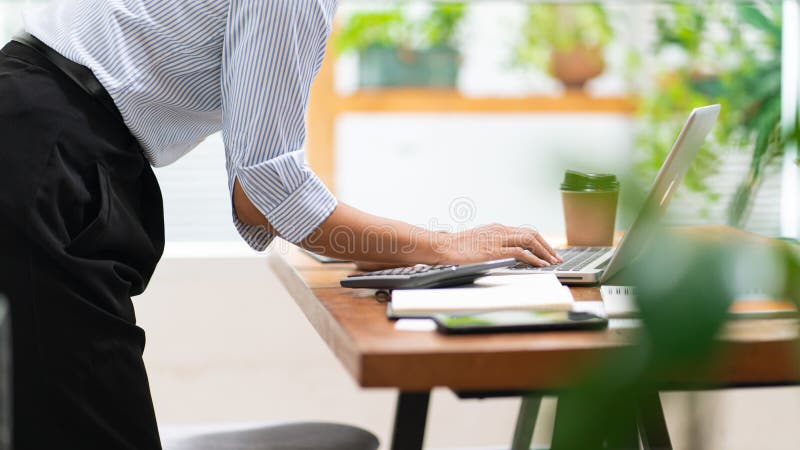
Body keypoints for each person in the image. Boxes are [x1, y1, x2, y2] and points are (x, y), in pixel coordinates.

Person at [0, 0, 561, 448]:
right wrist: (445, 246)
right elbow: (267, 191)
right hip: (43, 153)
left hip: (34, 124)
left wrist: (381, 245)